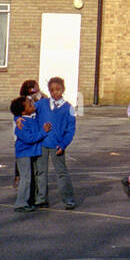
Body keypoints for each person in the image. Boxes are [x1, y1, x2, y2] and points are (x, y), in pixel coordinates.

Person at [35, 77, 77, 210]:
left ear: (63, 90)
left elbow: (70, 129)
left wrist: (63, 144)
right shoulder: (42, 104)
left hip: (57, 145)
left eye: (58, 90)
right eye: (52, 90)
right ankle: (41, 199)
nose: (55, 93)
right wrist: (17, 118)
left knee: (62, 172)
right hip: (41, 143)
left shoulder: (68, 108)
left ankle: (68, 200)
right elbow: (26, 111)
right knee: (41, 172)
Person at [12, 95, 44, 212]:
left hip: (31, 153)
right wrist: (43, 132)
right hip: (24, 154)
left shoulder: (31, 118)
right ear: (23, 110)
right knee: (25, 179)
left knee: (31, 178)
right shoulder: (22, 123)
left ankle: (29, 200)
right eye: (30, 104)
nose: (33, 105)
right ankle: (20, 203)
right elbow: (29, 139)